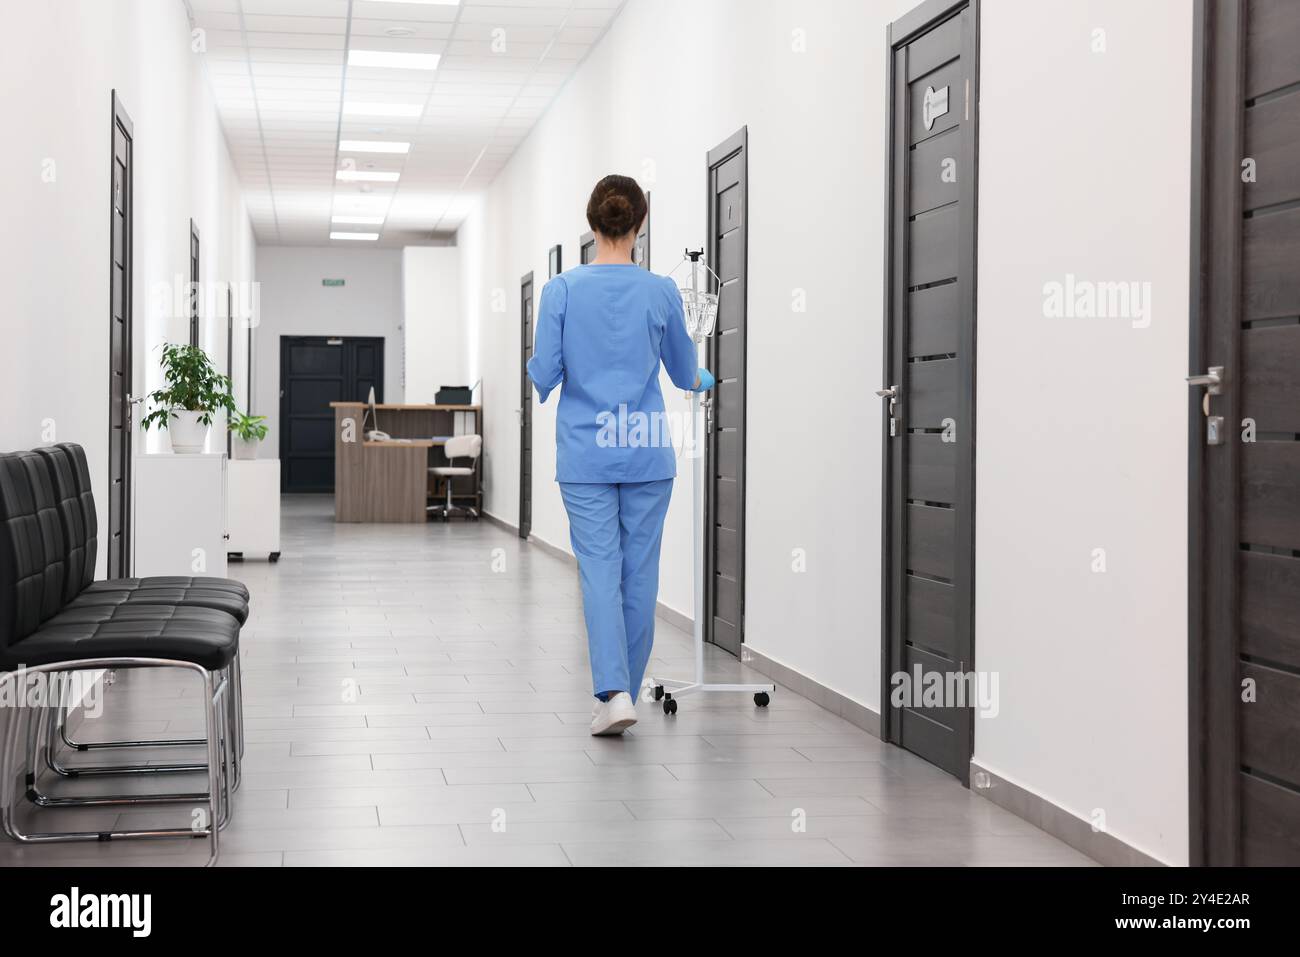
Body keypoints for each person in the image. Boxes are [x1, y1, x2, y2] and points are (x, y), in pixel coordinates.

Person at [527, 174, 714, 736]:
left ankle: (614, 694)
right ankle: (623, 692)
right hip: (646, 454)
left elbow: (544, 374)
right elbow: (685, 374)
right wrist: (705, 377)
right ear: (640, 225)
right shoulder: (660, 292)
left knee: (600, 573)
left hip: (586, 454)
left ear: (592, 225)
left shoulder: (560, 291)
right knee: (641, 575)